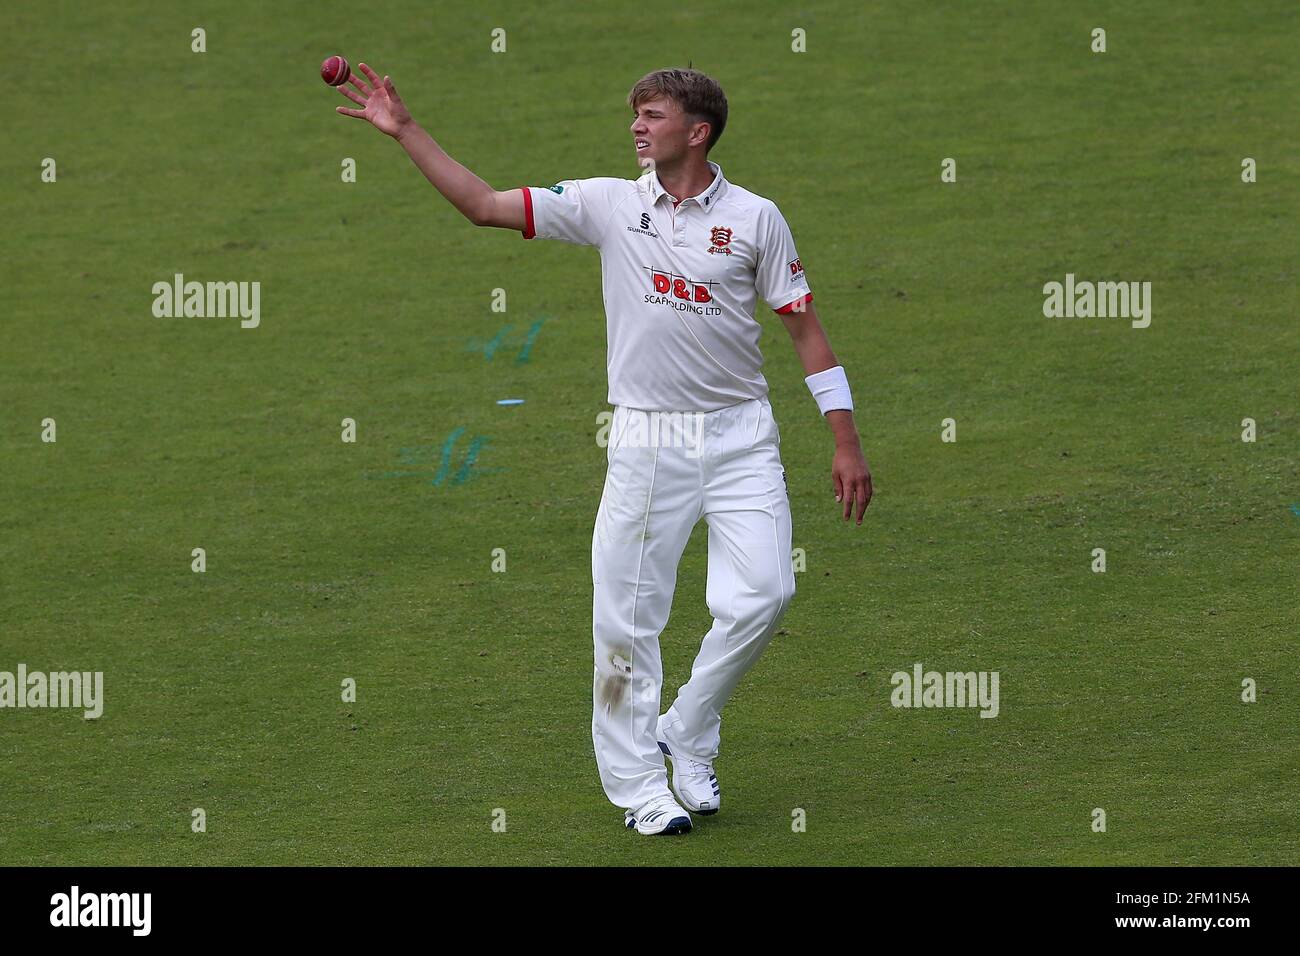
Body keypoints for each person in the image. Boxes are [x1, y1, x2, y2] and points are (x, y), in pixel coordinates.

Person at [333, 63, 873, 835]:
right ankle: (639, 788)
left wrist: (845, 441)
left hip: (742, 435)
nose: (635, 127)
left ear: (697, 131)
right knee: (625, 622)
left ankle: (686, 728)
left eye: (651, 115)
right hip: (648, 438)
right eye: (635, 115)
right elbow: (485, 206)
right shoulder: (609, 204)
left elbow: (805, 329)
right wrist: (406, 130)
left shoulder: (756, 219)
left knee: (766, 594)